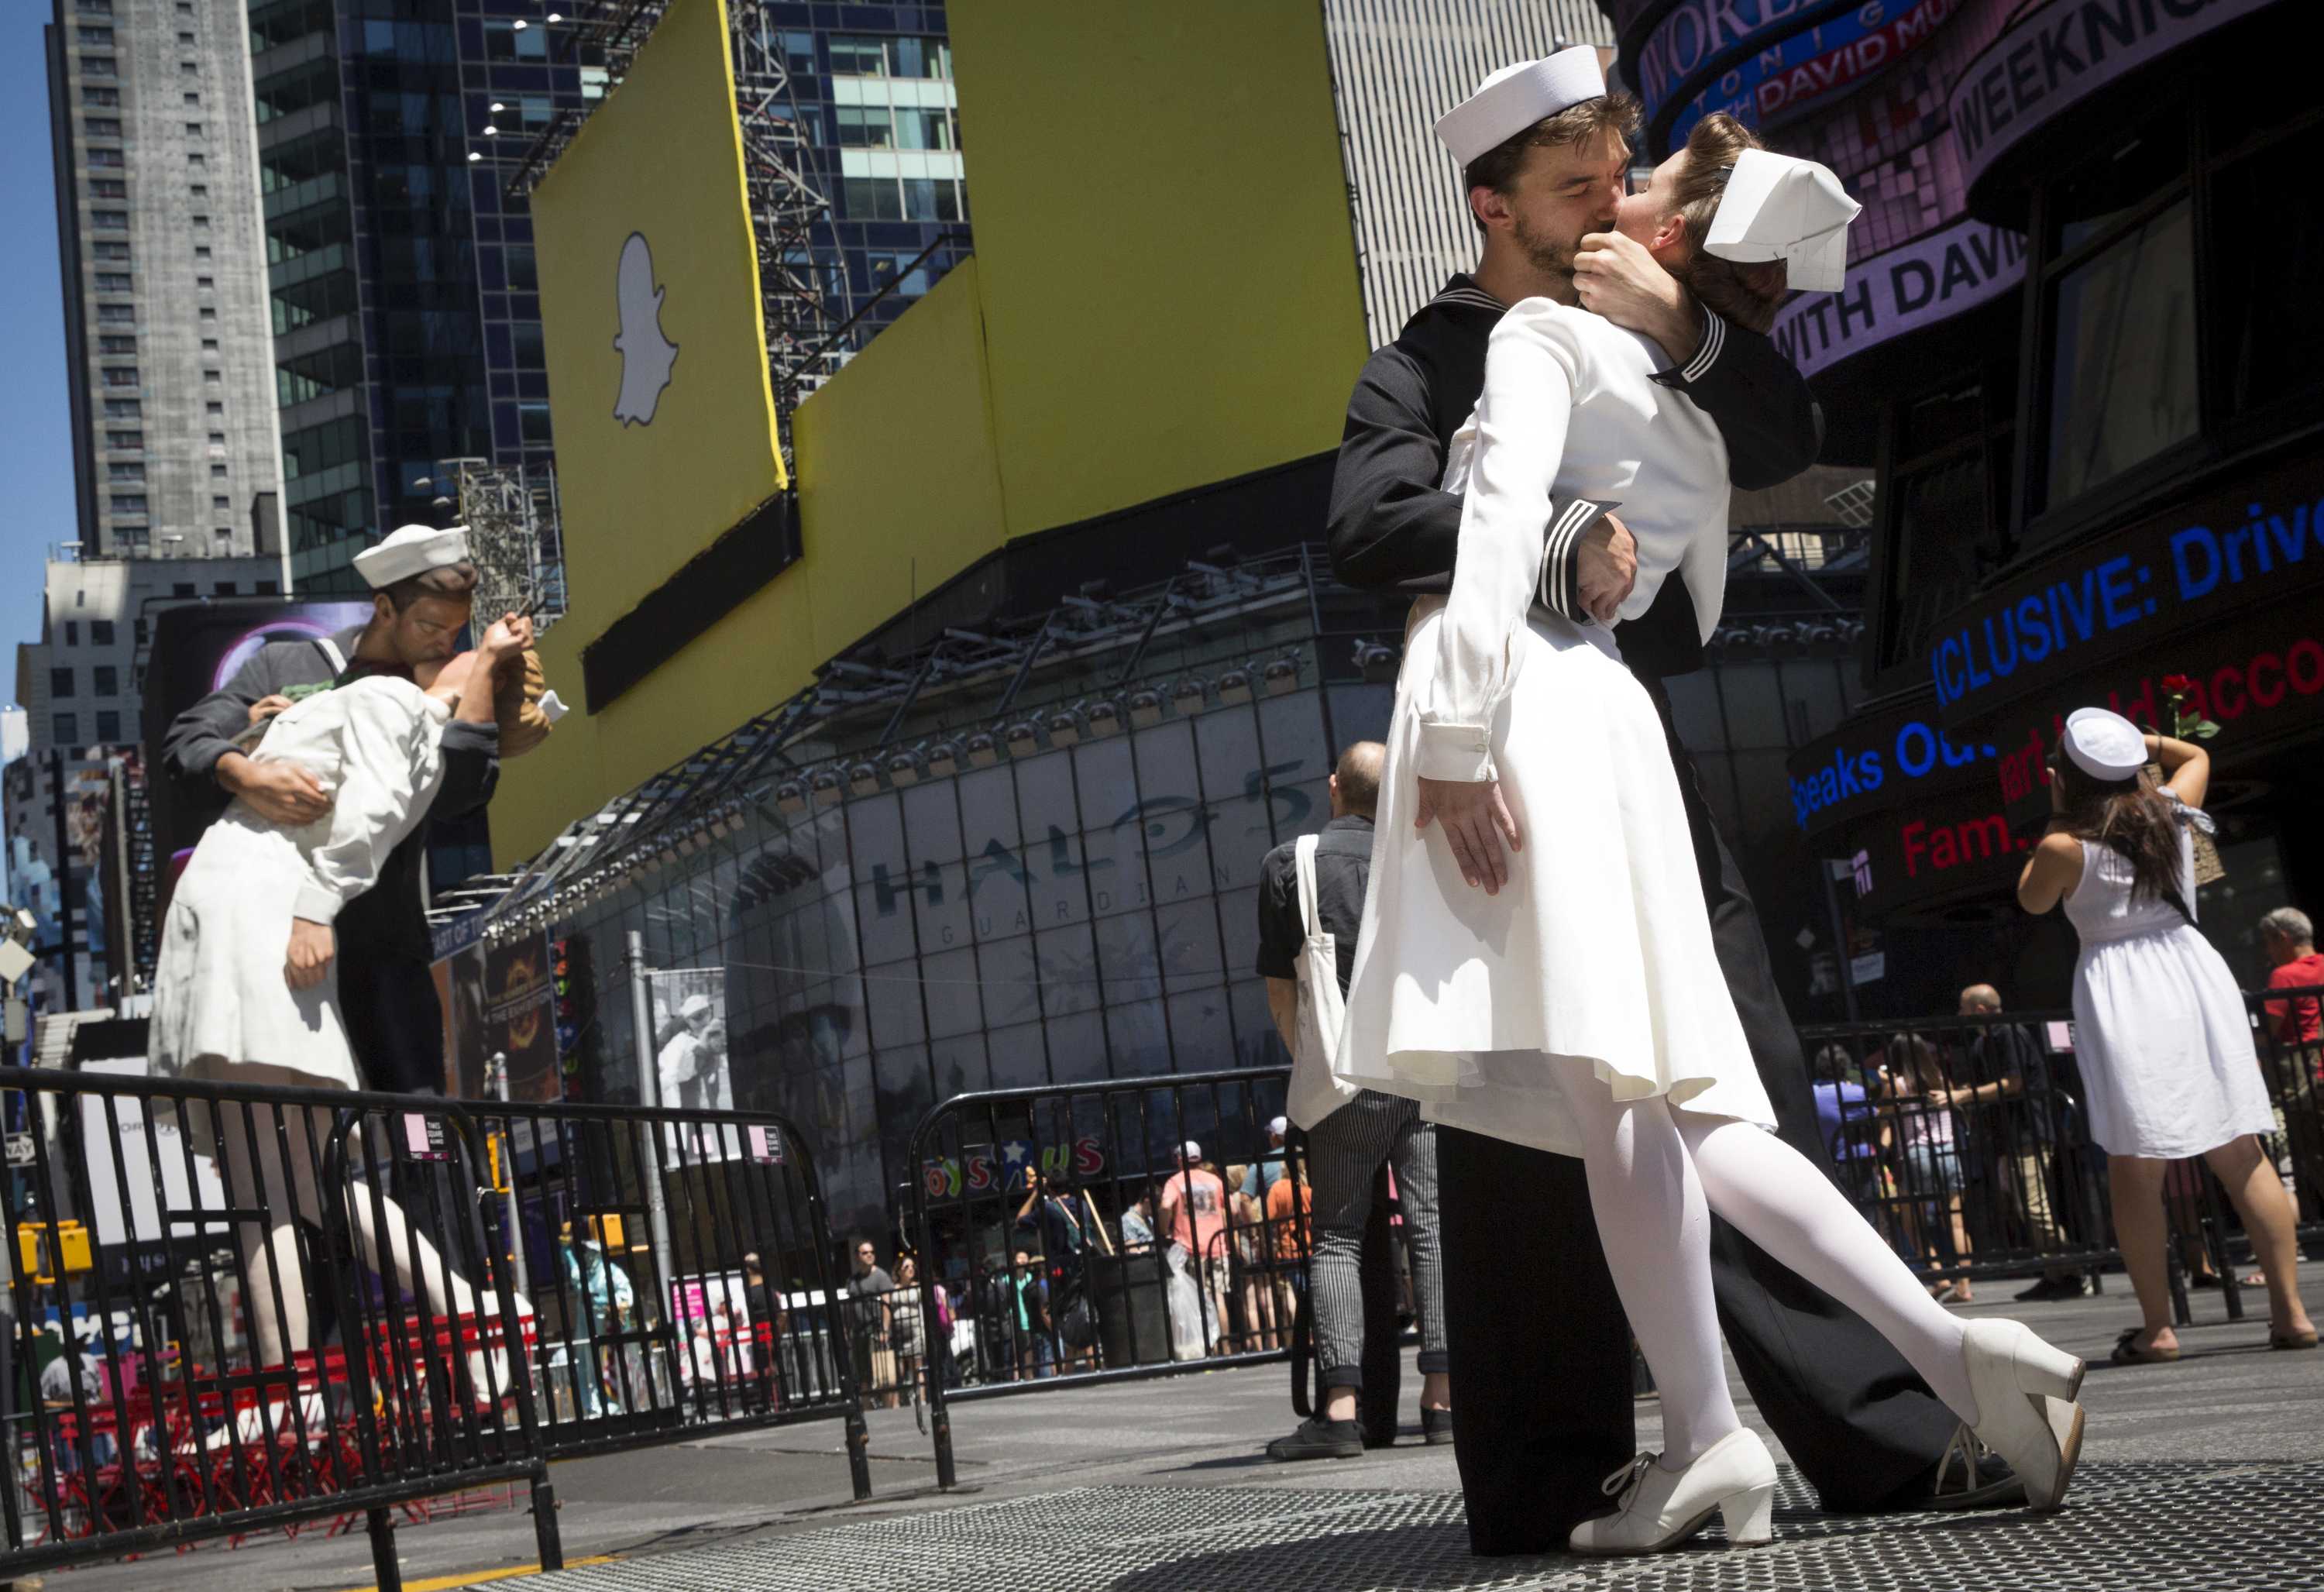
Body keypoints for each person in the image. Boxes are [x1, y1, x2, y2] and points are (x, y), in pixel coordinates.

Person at [1334, 77, 2090, 1549]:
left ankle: (1867, 1432)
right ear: (1495, 201)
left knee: (1698, 1083)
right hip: (1551, 714)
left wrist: (1679, 334)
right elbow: (1377, 524)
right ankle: (1606, 1458)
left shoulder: (1645, 339)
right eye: (1577, 187)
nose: (1606, 209)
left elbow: (1768, 434)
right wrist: (1565, 545)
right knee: (1607, 1114)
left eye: (1622, 182)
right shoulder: (1428, 357)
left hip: (1571, 736)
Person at [152, 629, 548, 1402]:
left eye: (473, 650)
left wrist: (309, 906)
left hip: (263, 924)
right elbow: (196, 744)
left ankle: (303, 1388)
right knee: (298, 1182)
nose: (457, 640)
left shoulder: (395, 711)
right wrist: (251, 740)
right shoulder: (365, 696)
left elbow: (361, 828)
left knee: (273, 1185)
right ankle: (460, 1315)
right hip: (260, 921)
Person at [163, 525, 528, 1097]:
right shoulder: (289, 663)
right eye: (430, 626)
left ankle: (430, 1187)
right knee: (295, 1127)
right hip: (273, 939)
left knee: (418, 1123)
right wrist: (247, 771)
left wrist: (481, 673)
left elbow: (463, 793)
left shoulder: (447, 685)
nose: (442, 644)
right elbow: (187, 739)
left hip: (383, 948)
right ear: (384, 608)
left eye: (456, 631)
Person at [2016, 709, 2318, 1362]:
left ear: (2064, 775)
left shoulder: (2063, 845)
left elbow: (2032, 900)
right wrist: (2144, 741)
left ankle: (2158, 1328)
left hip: (2124, 991)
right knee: (2243, 1151)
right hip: (2195, 973)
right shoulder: (2173, 812)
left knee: (2135, 1161)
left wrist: (2057, 806)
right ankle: (2291, 1312)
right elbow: (2198, 759)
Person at [1255, 741, 1451, 1460]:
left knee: (1338, 1234)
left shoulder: (1290, 864)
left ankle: (1339, 1410)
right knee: (1432, 1230)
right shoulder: (1423, 852)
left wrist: (1312, 1064)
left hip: (1346, 1073)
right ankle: (1443, 1400)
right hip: (1424, 1065)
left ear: (1333, 786)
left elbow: (1283, 993)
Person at [1948, 986, 2087, 1301]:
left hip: (2029, 1131)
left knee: (2034, 1207)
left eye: (1964, 1008)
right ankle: (2056, 1274)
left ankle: (2073, 1272)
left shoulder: (2009, 1033)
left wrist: (1964, 1095)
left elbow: (2014, 1083)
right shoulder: (1984, 1042)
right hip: (2008, 1136)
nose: (1960, 1016)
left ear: (1981, 1010)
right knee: (2026, 1208)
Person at [1880, 1036, 1974, 1305]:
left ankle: (1939, 1276)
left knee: (1913, 1222)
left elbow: (1882, 1116)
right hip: (1948, 1152)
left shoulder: (1897, 1085)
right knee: (1955, 1220)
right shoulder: (1943, 1081)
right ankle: (1964, 1285)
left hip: (1916, 1154)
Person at [2259, 907, 2324, 1246]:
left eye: (2269, 944)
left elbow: (2270, 1030)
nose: (2268, 953)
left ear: (2283, 939)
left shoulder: (2284, 976)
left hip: (2308, 1082)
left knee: (2315, 1156)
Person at [1156, 1141, 1229, 1355]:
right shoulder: (1215, 1180)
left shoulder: (1175, 1182)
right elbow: (1230, 1208)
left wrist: (1165, 1231)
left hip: (1189, 1248)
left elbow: (1165, 1207)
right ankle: (1225, 1347)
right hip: (1217, 1244)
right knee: (1219, 1297)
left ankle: (1206, 1348)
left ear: (1179, 1159)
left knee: (1196, 1298)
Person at [845, 1237, 897, 1405]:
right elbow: (849, 1308)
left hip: (876, 1330)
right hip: (859, 1332)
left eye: (871, 1252)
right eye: (865, 1253)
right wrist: (848, 1330)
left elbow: (886, 1305)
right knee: (863, 1374)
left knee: (883, 1372)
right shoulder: (852, 1281)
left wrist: (884, 1330)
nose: (869, 1255)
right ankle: (866, 1409)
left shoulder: (881, 1276)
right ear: (857, 1256)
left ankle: (891, 1408)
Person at [1241, 1119, 1289, 1202]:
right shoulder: (1305, 1154)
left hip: (1275, 1213)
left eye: (1269, 1133)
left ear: (1273, 1136)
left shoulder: (1261, 1164)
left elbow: (1244, 1200)